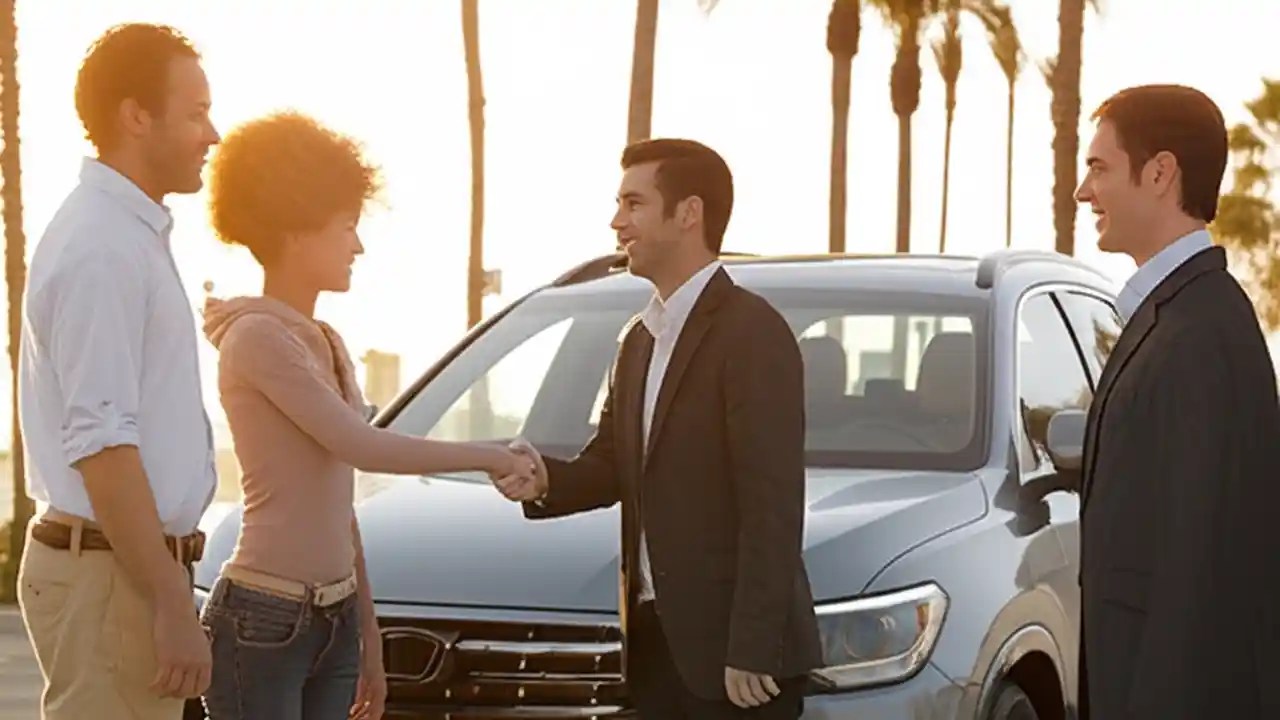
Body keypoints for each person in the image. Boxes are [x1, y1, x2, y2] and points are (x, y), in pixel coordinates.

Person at [197, 110, 535, 720]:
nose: (357, 244)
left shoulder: (323, 338)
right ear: (297, 230)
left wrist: (367, 637)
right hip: (262, 619)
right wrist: (491, 455)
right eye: (346, 227)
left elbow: (338, 504)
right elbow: (364, 446)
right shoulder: (257, 339)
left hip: (333, 616)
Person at [494, 138, 822, 719]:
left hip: (736, 668)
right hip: (655, 654)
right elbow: (614, 465)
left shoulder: (752, 333)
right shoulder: (637, 340)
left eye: (634, 204)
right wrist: (545, 478)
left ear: (688, 213)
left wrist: (752, 647)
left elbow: (771, 504)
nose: (617, 222)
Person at [16, 23, 221, 720]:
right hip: (110, 578)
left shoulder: (127, 234)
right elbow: (101, 444)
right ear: (137, 116)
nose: (212, 134)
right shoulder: (102, 248)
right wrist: (168, 599)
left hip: (122, 570)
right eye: (195, 113)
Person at [1073, 83, 1280, 719]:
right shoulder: (1180, 320)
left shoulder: (1200, 336)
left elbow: (1197, 576)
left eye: (1099, 167)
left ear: (1160, 173)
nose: (1084, 191)